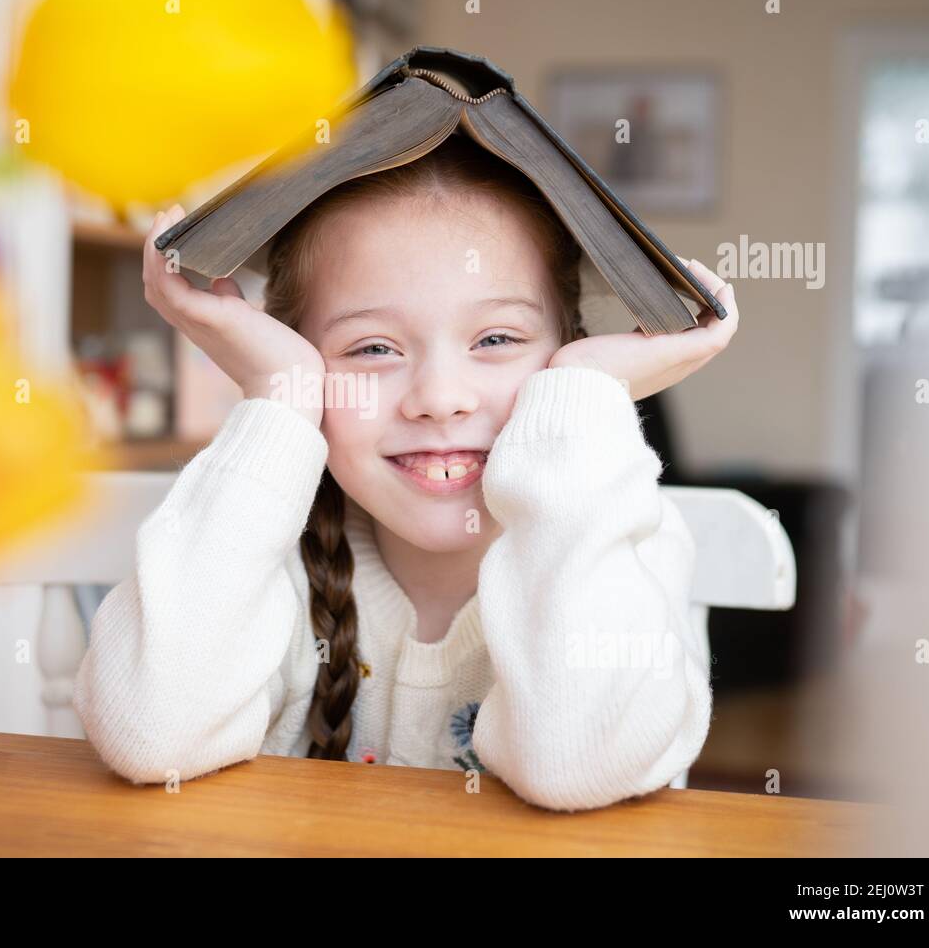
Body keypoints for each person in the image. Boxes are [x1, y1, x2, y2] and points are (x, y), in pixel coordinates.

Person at [74, 131, 738, 811]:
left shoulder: (618, 548)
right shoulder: (264, 554)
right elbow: (151, 735)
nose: (439, 398)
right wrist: (279, 394)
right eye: (373, 347)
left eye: (497, 339)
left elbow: (581, 762)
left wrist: (582, 392)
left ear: (564, 355)